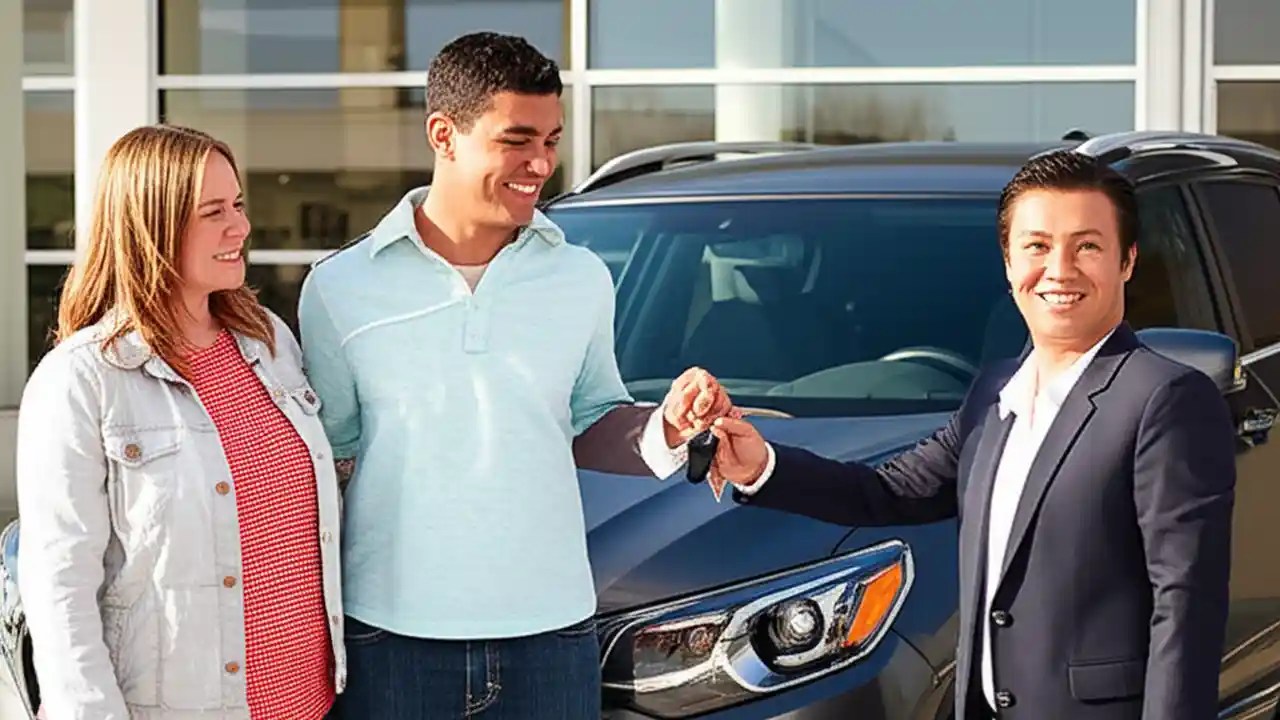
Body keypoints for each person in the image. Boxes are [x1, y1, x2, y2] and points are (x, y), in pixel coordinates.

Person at [698, 150, 1236, 720]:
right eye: (1037, 246)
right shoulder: (995, 392)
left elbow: (1185, 607)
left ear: (1126, 261)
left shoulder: (1165, 398)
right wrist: (760, 465)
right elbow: (888, 491)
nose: (1059, 269)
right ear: (1008, 262)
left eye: (1087, 246)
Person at [297, 32, 726, 719]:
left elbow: (591, 419)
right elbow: (332, 460)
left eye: (552, 140)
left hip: (551, 640)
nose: (541, 163)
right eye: (517, 140)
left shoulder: (580, 277)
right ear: (444, 134)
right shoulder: (339, 288)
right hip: (392, 639)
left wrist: (665, 427)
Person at [16, 124, 345, 720]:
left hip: (311, 705)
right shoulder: (83, 380)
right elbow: (60, 589)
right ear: (152, 225)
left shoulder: (269, 343)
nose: (240, 227)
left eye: (239, 204)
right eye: (213, 211)